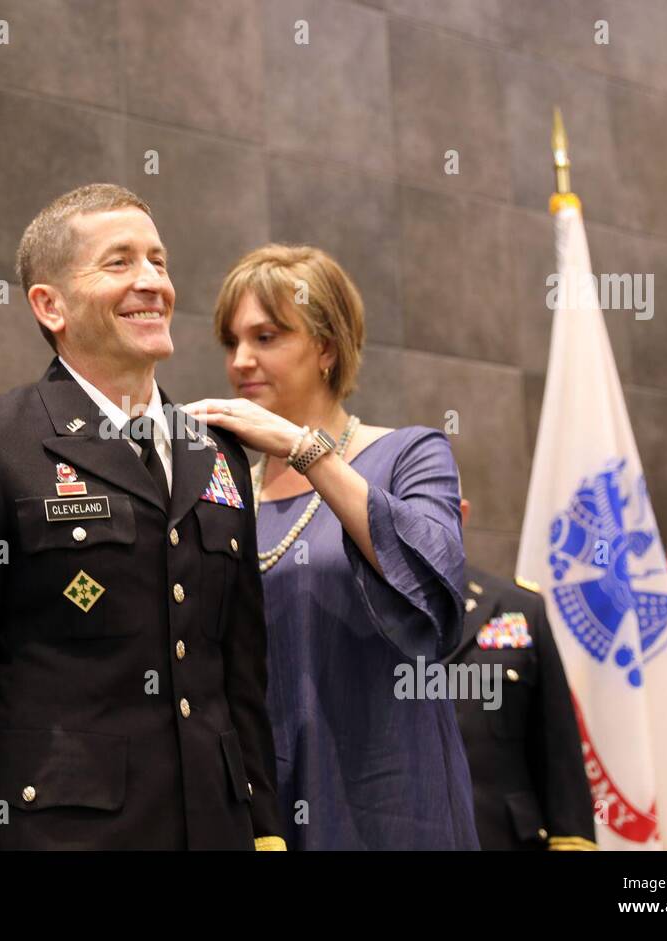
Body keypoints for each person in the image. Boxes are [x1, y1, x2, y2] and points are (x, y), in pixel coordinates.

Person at [0, 183, 284, 850]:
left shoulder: (213, 452)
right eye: (120, 262)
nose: (152, 281)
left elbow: (240, 675)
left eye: (158, 260)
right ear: (50, 304)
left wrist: (266, 831)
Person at [184, 243, 478, 850]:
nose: (241, 360)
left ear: (326, 347)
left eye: (267, 337)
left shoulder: (411, 454)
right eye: (232, 341)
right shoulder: (223, 483)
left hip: (386, 797)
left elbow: (434, 585)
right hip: (256, 800)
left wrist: (305, 449)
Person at [446, 496, 597, 850]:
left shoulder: (519, 607)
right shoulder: (359, 612)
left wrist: (571, 837)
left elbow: (557, 746)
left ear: (462, 513)